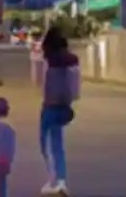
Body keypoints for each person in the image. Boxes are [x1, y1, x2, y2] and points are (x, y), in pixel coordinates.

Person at [39, 26, 80, 196]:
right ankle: (61, 181)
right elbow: (75, 87)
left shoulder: (48, 60)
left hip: (50, 106)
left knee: (45, 143)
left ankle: (53, 179)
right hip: (65, 106)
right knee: (58, 144)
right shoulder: (72, 60)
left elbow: (41, 83)